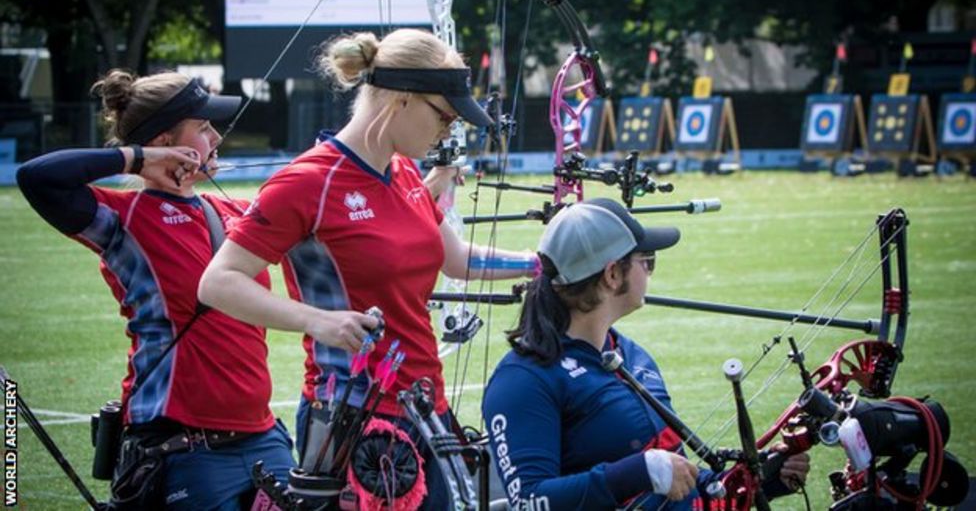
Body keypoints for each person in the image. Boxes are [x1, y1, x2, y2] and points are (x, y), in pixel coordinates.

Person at [197, 28, 537, 508]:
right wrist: (317, 320)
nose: (449, 131)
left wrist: (543, 264)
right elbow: (218, 282)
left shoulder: (404, 175)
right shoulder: (306, 182)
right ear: (401, 100)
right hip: (352, 418)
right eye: (444, 116)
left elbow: (457, 259)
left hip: (425, 409)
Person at [16, 69, 295, 510]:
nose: (217, 137)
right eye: (203, 128)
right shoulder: (123, 220)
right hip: (185, 448)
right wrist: (136, 159)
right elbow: (37, 177)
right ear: (167, 142)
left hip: (265, 440)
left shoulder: (232, 211)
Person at [481, 198, 810, 510]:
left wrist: (761, 482)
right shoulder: (523, 380)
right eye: (646, 261)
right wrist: (636, 473)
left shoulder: (629, 354)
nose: (650, 271)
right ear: (612, 274)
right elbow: (528, 501)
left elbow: (678, 483)